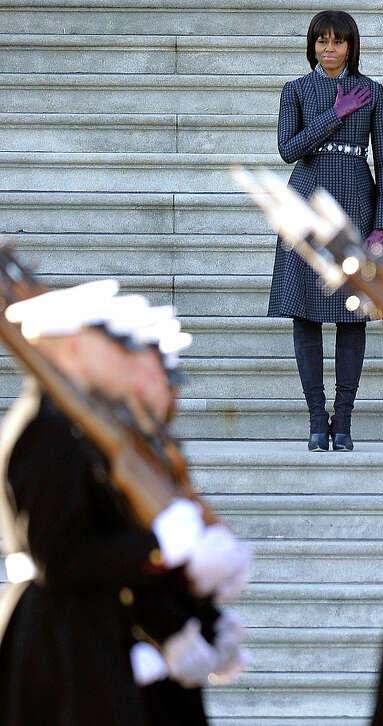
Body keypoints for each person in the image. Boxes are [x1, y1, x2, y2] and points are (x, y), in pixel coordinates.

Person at [0, 283, 249, 726]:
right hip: (61, 647)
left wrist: (202, 621)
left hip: (85, 638)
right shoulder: (48, 431)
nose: (121, 358)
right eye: (111, 346)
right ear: (75, 346)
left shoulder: (71, 428)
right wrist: (157, 549)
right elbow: (61, 556)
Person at [269, 9, 383, 452]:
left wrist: (382, 223)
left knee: (353, 314)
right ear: (312, 46)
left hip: (356, 204)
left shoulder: (374, 92)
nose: (329, 49)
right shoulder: (296, 91)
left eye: (338, 42)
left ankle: (342, 421)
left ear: (351, 46)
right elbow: (289, 149)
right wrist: (334, 113)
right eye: (321, 41)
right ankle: (315, 420)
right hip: (305, 203)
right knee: (304, 313)